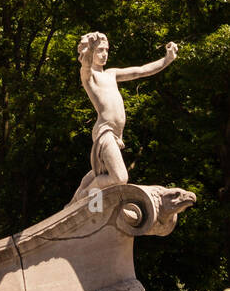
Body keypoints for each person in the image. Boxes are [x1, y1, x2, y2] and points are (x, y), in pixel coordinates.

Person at [72, 31, 178, 199]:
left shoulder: (111, 74)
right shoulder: (89, 76)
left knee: (101, 172)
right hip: (104, 131)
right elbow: (85, 64)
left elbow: (141, 71)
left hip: (116, 135)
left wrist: (167, 59)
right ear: (91, 51)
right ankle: (85, 194)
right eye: (100, 50)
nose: (104, 54)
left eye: (106, 50)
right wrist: (90, 48)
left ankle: (81, 193)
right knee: (119, 178)